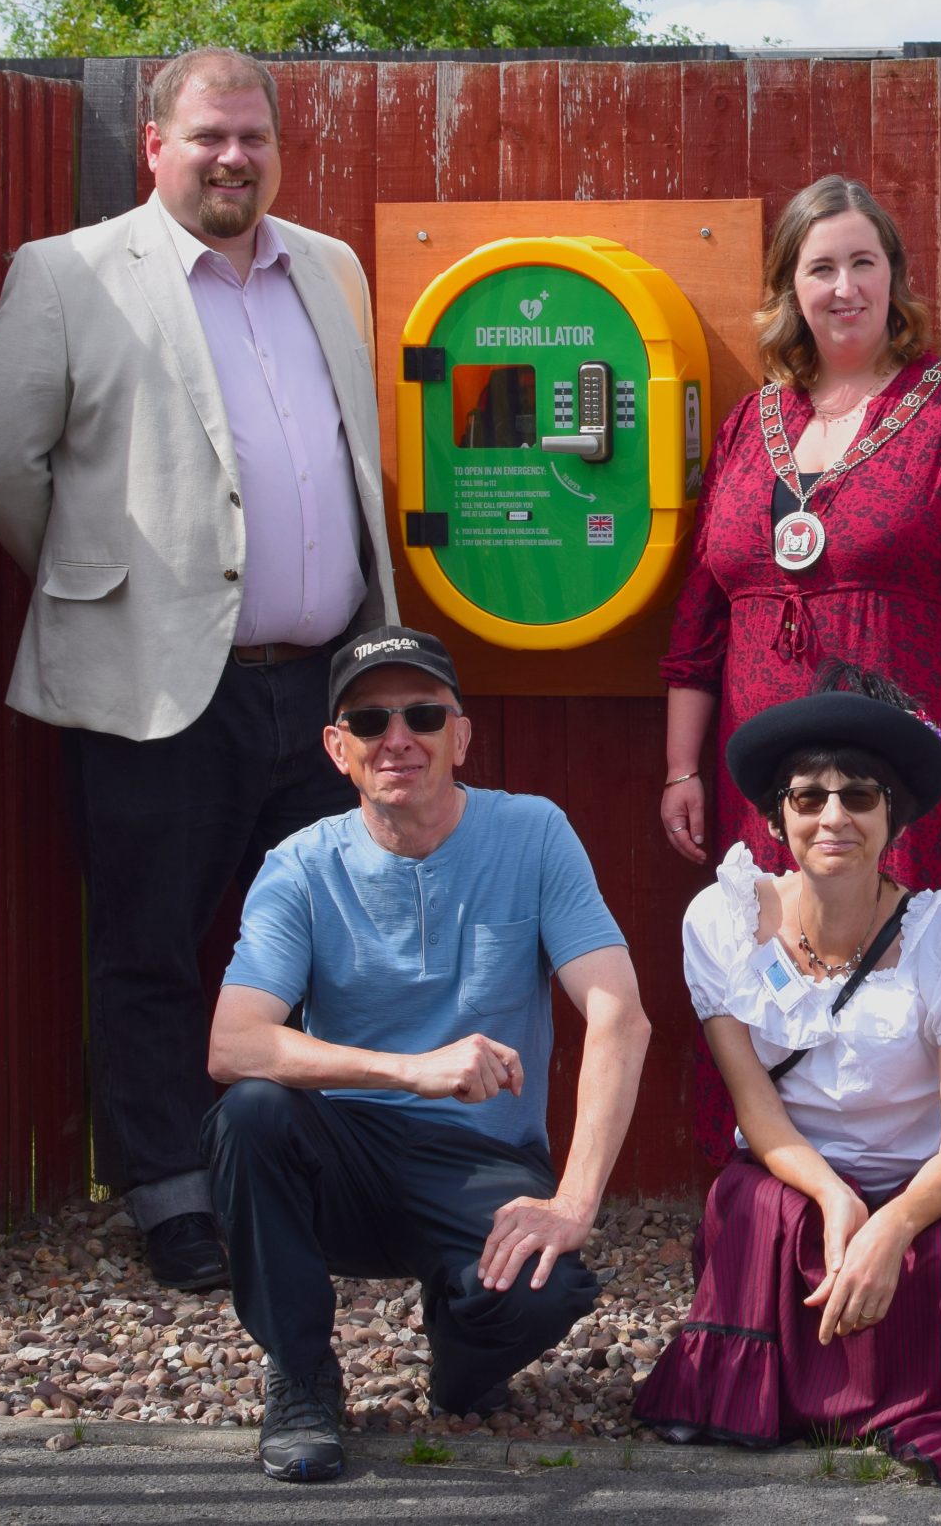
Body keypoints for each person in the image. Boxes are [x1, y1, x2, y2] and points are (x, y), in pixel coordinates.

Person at [0, 47, 397, 1291]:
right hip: (152, 682)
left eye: (253, 137)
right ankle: (170, 1196)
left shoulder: (332, 267)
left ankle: (304, 1178)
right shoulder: (70, 275)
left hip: (326, 685)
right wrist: (107, 580)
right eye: (209, 137)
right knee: (150, 945)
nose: (234, 158)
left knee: (324, 946)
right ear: (156, 145)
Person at [635, 664, 941, 1496]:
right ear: (779, 817)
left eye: (859, 796)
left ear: (894, 817)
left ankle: (896, 1384)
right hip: (803, 1171)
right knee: (751, 1209)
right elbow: (761, 1118)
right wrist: (840, 1202)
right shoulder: (723, 922)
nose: (833, 817)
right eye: (809, 798)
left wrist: (890, 1230)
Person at [204, 626, 651, 1482]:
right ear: (338, 749)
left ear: (461, 734)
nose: (397, 738)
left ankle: (464, 1351)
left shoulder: (534, 835)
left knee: (547, 1290)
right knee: (251, 1111)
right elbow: (234, 1041)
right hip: (345, 1155)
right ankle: (300, 1374)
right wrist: (413, 1070)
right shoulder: (299, 866)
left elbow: (619, 1017)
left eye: (421, 714)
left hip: (479, 1157)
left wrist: (575, 1201)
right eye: (369, 723)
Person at [659, 175, 941, 1159]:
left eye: (861, 263)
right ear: (790, 287)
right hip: (767, 778)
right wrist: (681, 765)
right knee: (773, 970)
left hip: (905, 775)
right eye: (819, 267)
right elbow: (700, 609)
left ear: (894, 278)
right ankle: (781, 1194)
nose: (842, 287)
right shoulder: (754, 422)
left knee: (911, 973)